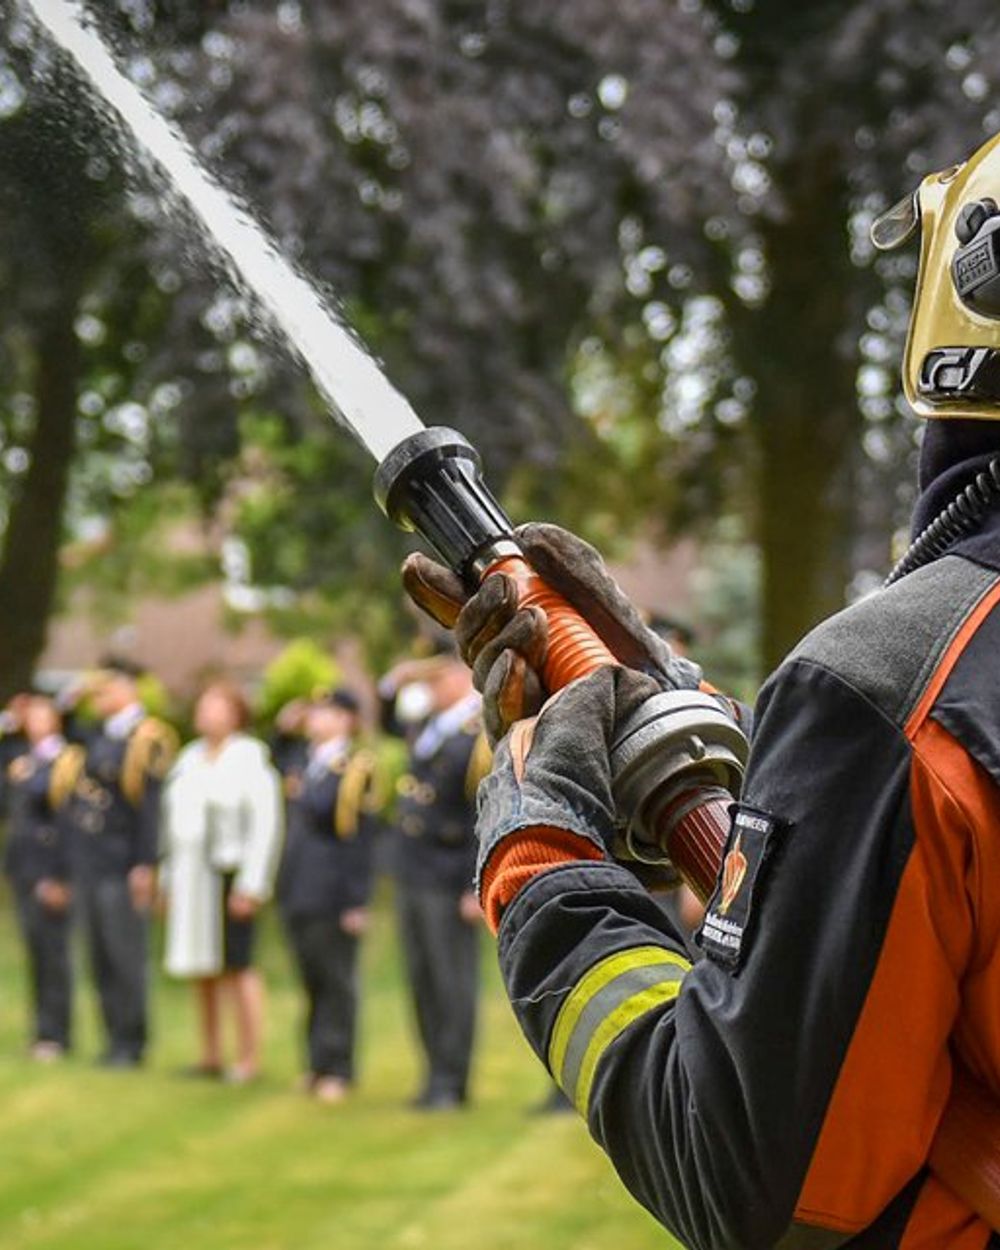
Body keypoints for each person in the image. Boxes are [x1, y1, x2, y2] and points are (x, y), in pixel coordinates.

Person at [400, 132, 1000, 1248]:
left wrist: (542, 849)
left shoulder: (893, 691)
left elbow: (736, 1172)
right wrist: (751, 768)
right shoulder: (900, 708)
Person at [381, 647, 491, 1109]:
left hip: (448, 872)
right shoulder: (431, 726)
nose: (429, 687)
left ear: (462, 675)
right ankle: (433, 1074)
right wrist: (393, 683)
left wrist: (474, 885)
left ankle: (452, 1079)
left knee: (451, 980)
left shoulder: (477, 732)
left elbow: (481, 814)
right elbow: (387, 723)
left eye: (437, 677)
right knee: (422, 977)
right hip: (414, 868)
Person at [160, 679, 283, 1083]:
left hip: (229, 872)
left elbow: (265, 825)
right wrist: (167, 879)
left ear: (235, 715)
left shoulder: (250, 759)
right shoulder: (188, 758)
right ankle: (210, 1053)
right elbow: (173, 825)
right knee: (203, 966)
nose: (206, 714)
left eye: (215, 707)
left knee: (237, 965)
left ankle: (248, 1056)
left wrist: (252, 883)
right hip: (192, 873)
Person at [64, 658, 177, 1067]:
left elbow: (149, 809)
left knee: (125, 955)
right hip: (92, 859)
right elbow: (65, 733)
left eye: (107, 688)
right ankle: (112, 1038)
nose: (99, 696)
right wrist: (71, 700)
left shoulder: (146, 738)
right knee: (99, 955)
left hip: (123, 861)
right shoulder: (101, 734)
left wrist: (145, 864)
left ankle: (132, 1041)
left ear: (129, 689)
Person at [277, 687, 377, 1104]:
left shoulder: (354, 768)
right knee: (311, 979)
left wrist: (356, 900)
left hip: (332, 891)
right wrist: (283, 730)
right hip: (299, 885)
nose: (315, 719)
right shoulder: (306, 761)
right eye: (314, 711)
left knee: (337, 981)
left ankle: (339, 1067)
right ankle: (317, 1062)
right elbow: (277, 761)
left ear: (346, 720)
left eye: (326, 712)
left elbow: (360, 840)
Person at [3, 694, 82, 1060]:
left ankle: (57, 1033)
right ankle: (41, 1030)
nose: (34, 721)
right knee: (35, 952)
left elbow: (67, 825)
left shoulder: (66, 761)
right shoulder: (22, 761)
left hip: (50, 871)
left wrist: (61, 876)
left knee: (54, 954)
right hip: (24, 868)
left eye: (41, 714)